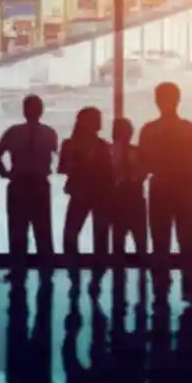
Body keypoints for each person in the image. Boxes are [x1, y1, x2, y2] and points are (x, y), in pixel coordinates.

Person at [139, 82, 192, 303]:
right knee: (188, 239)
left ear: (157, 101)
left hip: (160, 187)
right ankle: (191, 286)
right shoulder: (189, 129)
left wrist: (161, 167)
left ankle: (161, 284)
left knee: (160, 239)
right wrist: (184, 166)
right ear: (178, 100)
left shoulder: (149, 130)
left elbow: (143, 163)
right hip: (185, 186)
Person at [0, 94, 59, 281]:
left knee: (17, 230)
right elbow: (56, 156)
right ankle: (46, 268)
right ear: (41, 111)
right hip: (40, 185)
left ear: (24, 110)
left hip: (18, 184)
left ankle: (17, 269)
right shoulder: (50, 133)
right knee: (43, 229)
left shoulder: (13, 132)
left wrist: (4, 172)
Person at [58, 106, 114, 295]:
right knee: (99, 237)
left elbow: (63, 168)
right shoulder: (103, 146)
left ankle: (75, 275)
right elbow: (109, 173)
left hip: (81, 193)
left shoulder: (70, 144)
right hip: (99, 195)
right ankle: (95, 277)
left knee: (72, 234)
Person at [109, 117, 148, 260]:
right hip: (131, 196)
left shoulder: (110, 151)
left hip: (125, 196)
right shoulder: (136, 152)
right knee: (136, 238)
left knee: (122, 238)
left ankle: (120, 273)